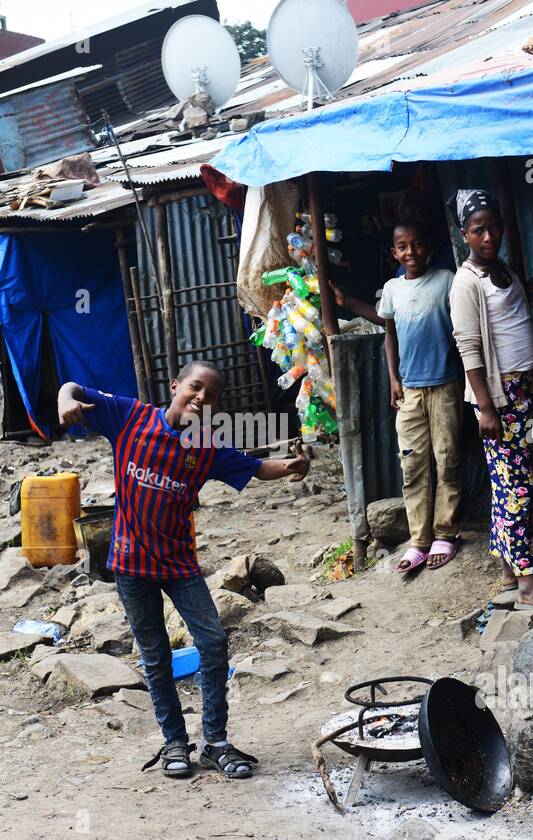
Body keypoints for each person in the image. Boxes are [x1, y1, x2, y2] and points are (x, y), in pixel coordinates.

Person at [58, 361, 309, 779]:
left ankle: (215, 743)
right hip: (130, 564)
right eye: (195, 388)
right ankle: (174, 742)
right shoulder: (130, 416)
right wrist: (66, 400)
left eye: (211, 397)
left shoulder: (206, 445)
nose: (201, 399)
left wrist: (289, 467)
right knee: (155, 657)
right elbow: (73, 387)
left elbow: (253, 466)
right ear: (175, 385)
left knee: (212, 643)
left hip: (179, 564)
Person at [450, 189, 533, 618]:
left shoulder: (503, 271)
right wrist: (486, 407)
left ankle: (512, 572)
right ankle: (527, 585)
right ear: (464, 234)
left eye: (493, 227)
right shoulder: (466, 282)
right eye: (478, 229)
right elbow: (469, 348)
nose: (488, 236)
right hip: (499, 398)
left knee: (513, 487)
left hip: (523, 391)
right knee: (517, 491)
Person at [333, 220, 464, 574]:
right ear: (394, 253)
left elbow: (463, 328)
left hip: (447, 384)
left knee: (447, 460)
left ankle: (445, 533)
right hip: (409, 389)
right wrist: (393, 378)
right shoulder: (391, 289)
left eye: (416, 244)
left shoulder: (446, 281)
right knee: (412, 464)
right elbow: (389, 334)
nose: (410, 252)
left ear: (429, 246)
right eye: (402, 247)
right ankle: (419, 540)